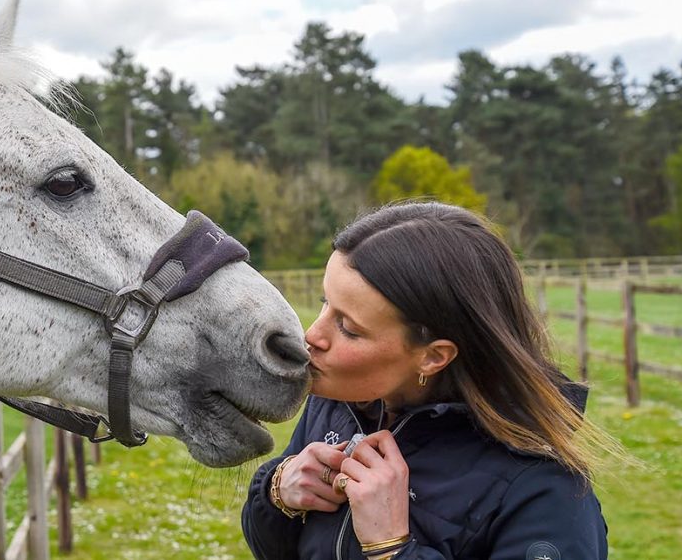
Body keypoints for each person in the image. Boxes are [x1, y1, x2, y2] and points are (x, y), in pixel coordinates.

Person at [242, 201, 620, 560]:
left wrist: (391, 547)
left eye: (349, 328)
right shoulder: (337, 401)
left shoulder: (544, 489)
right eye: (326, 303)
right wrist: (279, 491)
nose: (311, 336)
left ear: (434, 356)